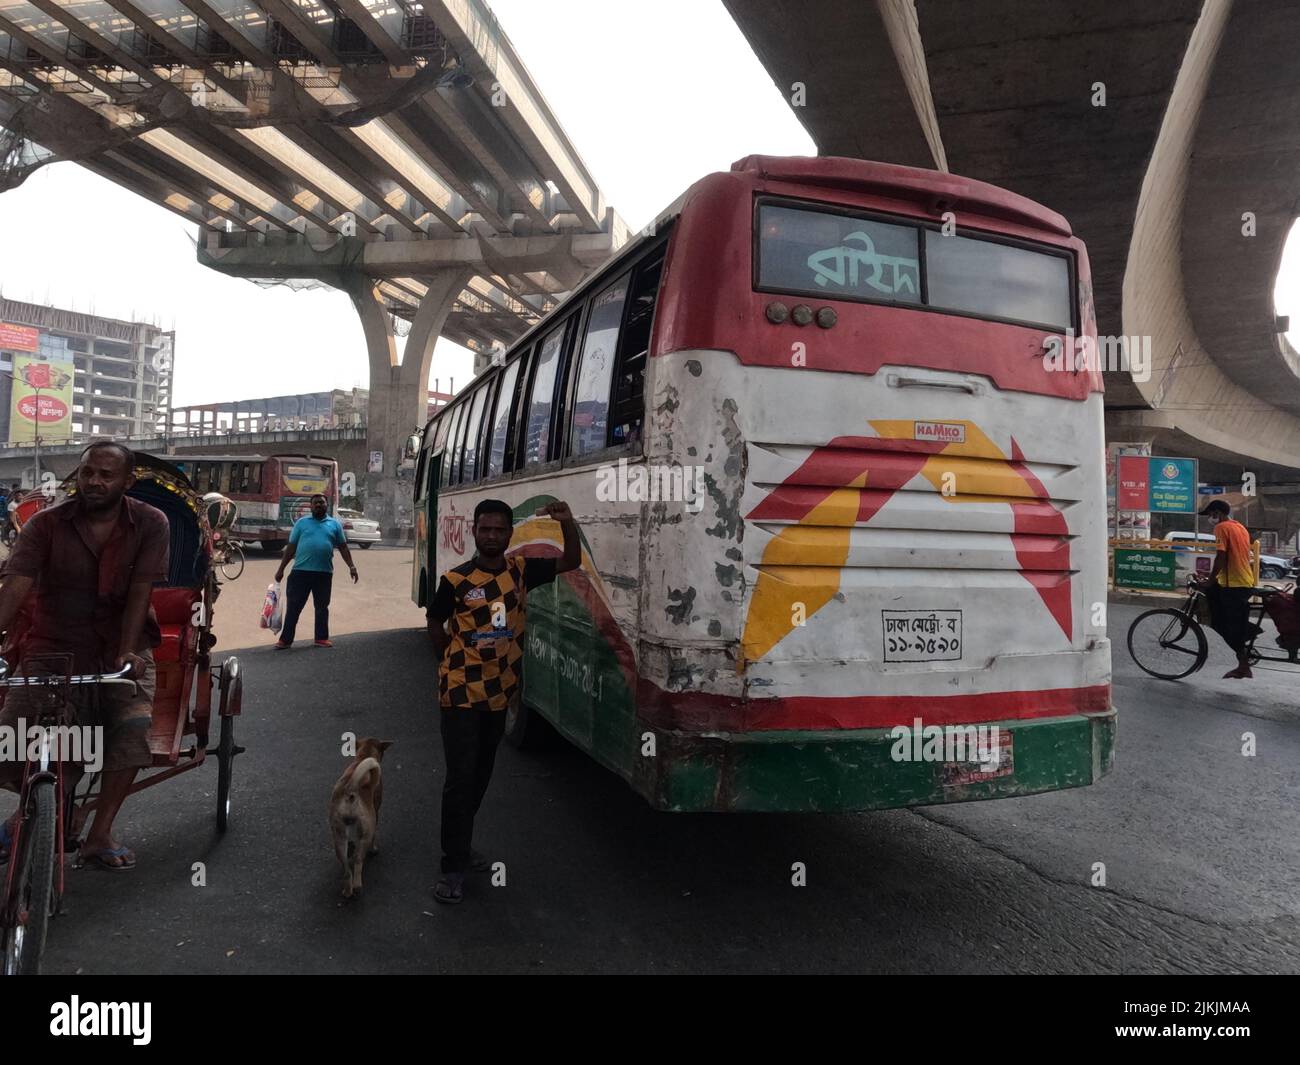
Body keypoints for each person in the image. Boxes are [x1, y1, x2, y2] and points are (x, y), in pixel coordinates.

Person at [0, 442, 169, 870]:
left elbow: (140, 592)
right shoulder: (45, 524)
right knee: (15, 734)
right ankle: (35, 811)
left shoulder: (150, 522)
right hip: (52, 640)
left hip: (121, 642)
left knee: (131, 728)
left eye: (105, 475)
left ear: (127, 482)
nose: (94, 482)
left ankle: (99, 833)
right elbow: (17, 584)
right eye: (88, 472)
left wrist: (128, 650)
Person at [426, 498, 580, 904]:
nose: (491, 536)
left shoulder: (522, 571)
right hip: (460, 693)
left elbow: (571, 562)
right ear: (474, 531)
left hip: (499, 694)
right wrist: (448, 661)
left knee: (480, 776)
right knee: (460, 780)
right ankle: (452, 868)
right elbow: (434, 621)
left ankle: (462, 845)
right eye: (484, 529)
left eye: (498, 529)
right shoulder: (455, 580)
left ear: (510, 534)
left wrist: (568, 523)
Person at [274, 493, 358, 648]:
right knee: (294, 607)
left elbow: (343, 547)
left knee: (322, 607)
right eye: (316, 503)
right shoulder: (301, 523)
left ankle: (321, 638)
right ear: (311, 507)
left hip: (324, 574)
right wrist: (281, 569)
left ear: (327, 505)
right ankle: (285, 640)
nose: (319, 505)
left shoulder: (334, 525)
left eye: (322, 502)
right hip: (300, 573)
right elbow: (291, 547)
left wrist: (351, 566)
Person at [1196, 499, 1256, 679]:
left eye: (1210, 514)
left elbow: (1221, 557)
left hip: (1234, 585)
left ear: (1217, 513)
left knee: (1225, 625)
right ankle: (1245, 635)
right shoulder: (1239, 527)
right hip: (1244, 581)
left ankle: (1243, 663)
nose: (1210, 518)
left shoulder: (1221, 528)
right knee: (1223, 616)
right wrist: (1213, 580)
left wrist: (1209, 581)